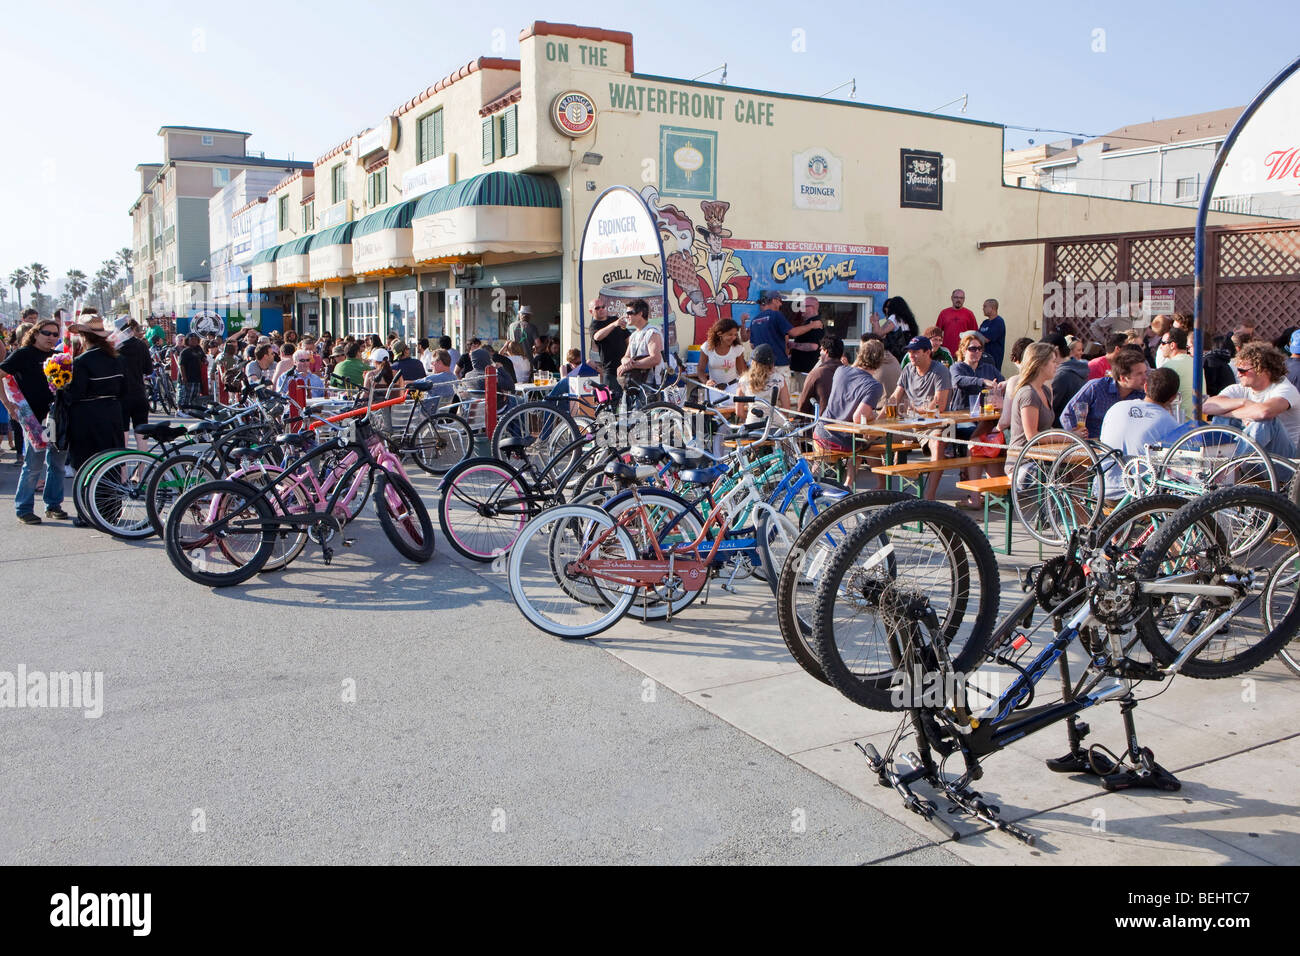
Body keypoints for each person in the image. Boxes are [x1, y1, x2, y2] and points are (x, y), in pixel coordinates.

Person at [0, 317, 69, 523]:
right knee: (33, 464)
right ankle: (24, 508)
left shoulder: (59, 357)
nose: (50, 337)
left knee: (57, 463)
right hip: (32, 418)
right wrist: (8, 404)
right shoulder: (23, 355)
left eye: (55, 334)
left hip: (56, 418)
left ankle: (53, 505)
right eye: (46, 333)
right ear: (35, 334)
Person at [64, 314, 127, 526]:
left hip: (87, 417)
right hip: (112, 413)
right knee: (111, 463)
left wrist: (60, 387)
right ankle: (110, 513)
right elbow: (124, 389)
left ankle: (88, 514)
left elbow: (76, 393)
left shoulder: (82, 361)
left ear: (83, 336)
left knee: (86, 466)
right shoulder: (116, 358)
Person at [1098, 367, 1185, 498]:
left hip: (1103, 489)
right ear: (1173, 397)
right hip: (1140, 496)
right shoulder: (1170, 423)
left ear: (1145, 387)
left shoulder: (1116, 408)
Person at [1203, 341, 1300, 456]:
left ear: (1262, 369)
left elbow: (1264, 412)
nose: (1238, 375)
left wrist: (1229, 412)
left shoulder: (1285, 388)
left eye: (1242, 371)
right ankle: (1216, 462)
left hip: (1282, 460)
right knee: (1221, 414)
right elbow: (1207, 406)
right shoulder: (1240, 389)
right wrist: (1244, 402)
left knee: (1266, 421)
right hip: (1254, 458)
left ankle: (1231, 465)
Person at [890, 336, 953, 500]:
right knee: (870, 438)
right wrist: (878, 418)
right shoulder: (907, 370)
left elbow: (940, 405)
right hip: (910, 423)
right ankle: (879, 489)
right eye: (909, 351)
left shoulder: (940, 370)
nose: (911, 355)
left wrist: (917, 410)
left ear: (927, 352)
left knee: (938, 442)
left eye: (915, 351)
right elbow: (895, 397)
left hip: (933, 424)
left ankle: (929, 496)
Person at [812, 344, 884, 485]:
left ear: (860, 354)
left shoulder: (841, 370)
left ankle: (822, 482)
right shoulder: (873, 385)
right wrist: (875, 416)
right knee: (867, 445)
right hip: (840, 441)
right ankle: (854, 485)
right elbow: (859, 417)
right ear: (880, 360)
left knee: (860, 444)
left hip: (819, 433)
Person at [1060, 346, 1148, 439]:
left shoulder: (1142, 395)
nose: (1145, 377)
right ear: (1123, 378)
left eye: (1145, 372)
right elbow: (1068, 414)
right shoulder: (1096, 387)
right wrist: (1078, 438)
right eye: (1139, 374)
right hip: (1092, 446)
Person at [745, 290, 823, 372]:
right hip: (778, 365)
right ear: (774, 300)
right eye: (780, 301)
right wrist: (812, 325)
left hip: (760, 366)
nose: (781, 304)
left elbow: (752, 345)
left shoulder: (754, 320)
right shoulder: (776, 315)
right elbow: (794, 332)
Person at [1006, 342, 1059, 453]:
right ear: (1040, 364)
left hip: (1043, 458)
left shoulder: (1045, 390)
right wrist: (1068, 438)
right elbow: (1032, 436)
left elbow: (1046, 430)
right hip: (1024, 461)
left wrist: (1071, 434)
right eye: (1053, 361)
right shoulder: (1028, 394)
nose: (1057, 365)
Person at [115, 317, 153, 449]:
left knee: (123, 436)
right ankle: (141, 469)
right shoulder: (141, 345)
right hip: (139, 394)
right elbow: (148, 369)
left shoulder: (115, 348)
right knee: (142, 436)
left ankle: (123, 469)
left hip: (121, 396)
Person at [947, 331, 1005, 413]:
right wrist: (983, 382)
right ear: (964, 351)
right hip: (963, 414)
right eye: (973, 349)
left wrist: (999, 387)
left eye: (980, 348)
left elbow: (1003, 383)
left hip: (986, 414)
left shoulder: (989, 368)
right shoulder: (956, 367)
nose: (977, 351)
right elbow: (957, 381)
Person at [616, 299, 664, 390]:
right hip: (636, 383)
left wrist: (631, 365)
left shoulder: (652, 333)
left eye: (630, 313)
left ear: (640, 314)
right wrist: (624, 361)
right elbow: (626, 356)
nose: (627, 316)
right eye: (626, 313)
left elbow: (655, 359)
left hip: (651, 384)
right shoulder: (634, 335)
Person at [589, 297, 629, 399]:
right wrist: (614, 325)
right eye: (597, 308)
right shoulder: (594, 325)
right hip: (610, 370)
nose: (601, 309)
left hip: (626, 367)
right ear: (591, 311)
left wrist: (631, 355)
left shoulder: (615, 319)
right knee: (612, 401)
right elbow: (597, 336)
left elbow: (627, 338)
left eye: (603, 307)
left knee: (629, 400)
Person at [1047, 333, 1088, 426]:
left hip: (1061, 432)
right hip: (1076, 428)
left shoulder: (1061, 375)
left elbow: (1049, 409)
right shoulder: (1081, 369)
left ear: (1056, 351)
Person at [797, 334, 843, 417]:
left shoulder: (817, 374)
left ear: (826, 351)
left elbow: (803, 403)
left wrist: (799, 417)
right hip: (845, 424)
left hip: (821, 424)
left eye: (821, 350)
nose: (819, 353)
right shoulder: (849, 373)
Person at [1155, 326, 1195, 421]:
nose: (1160, 347)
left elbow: (1157, 398)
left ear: (1172, 345)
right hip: (1197, 419)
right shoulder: (1196, 364)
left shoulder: (1169, 366)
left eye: (1163, 343)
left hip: (1178, 420)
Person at [697, 318, 747, 394]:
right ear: (720, 333)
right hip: (714, 388)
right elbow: (700, 370)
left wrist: (746, 387)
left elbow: (742, 372)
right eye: (730, 334)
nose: (733, 338)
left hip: (732, 387)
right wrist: (706, 382)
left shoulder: (737, 348)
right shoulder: (707, 347)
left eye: (735, 335)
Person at [787, 295, 824, 392]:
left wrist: (793, 345)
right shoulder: (809, 324)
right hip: (801, 369)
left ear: (812, 307)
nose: (800, 310)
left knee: (804, 398)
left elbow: (813, 346)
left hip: (806, 371)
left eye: (803, 307)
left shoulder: (816, 324)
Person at [874, 296, 919, 361]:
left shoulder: (894, 318)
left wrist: (875, 322)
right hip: (907, 353)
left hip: (895, 354)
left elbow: (878, 334)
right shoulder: (908, 319)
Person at [935, 288, 978, 354]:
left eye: (961, 298)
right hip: (946, 352)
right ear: (951, 298)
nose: (958, 300)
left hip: (964, 352)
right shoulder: (944, 313)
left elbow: (974, 334)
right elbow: (937, 332)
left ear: (964, 299)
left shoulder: (969, 314)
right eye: (956, 297)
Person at [177, 334, 205, 407]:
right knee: (185, 396)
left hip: (196, 377)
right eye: (192, 339)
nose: (194, 341)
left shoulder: (199, 349)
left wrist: (204, 360)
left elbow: (203, 357)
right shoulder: (185, 352)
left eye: (195, 339)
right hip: (187, 377)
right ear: (187, 341)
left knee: (194, 396)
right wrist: (184, 377)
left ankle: (190, 410)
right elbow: (181, 365)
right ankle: (181, 410)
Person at [979, 298, 1006, 370]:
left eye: (985, 306)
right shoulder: (985, 322)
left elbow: (986, 339)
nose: (983, 309)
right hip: (982, 358)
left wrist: (973, 335)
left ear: (992, 308)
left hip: (994, 359)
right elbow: (978, 337)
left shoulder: (998, 322)